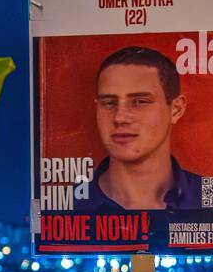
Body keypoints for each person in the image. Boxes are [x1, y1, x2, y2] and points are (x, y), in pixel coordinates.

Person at [80, 46, 203, 211]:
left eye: (140, 101)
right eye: (109, 103)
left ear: (176, 109)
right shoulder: (65, 204)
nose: (119, 118)